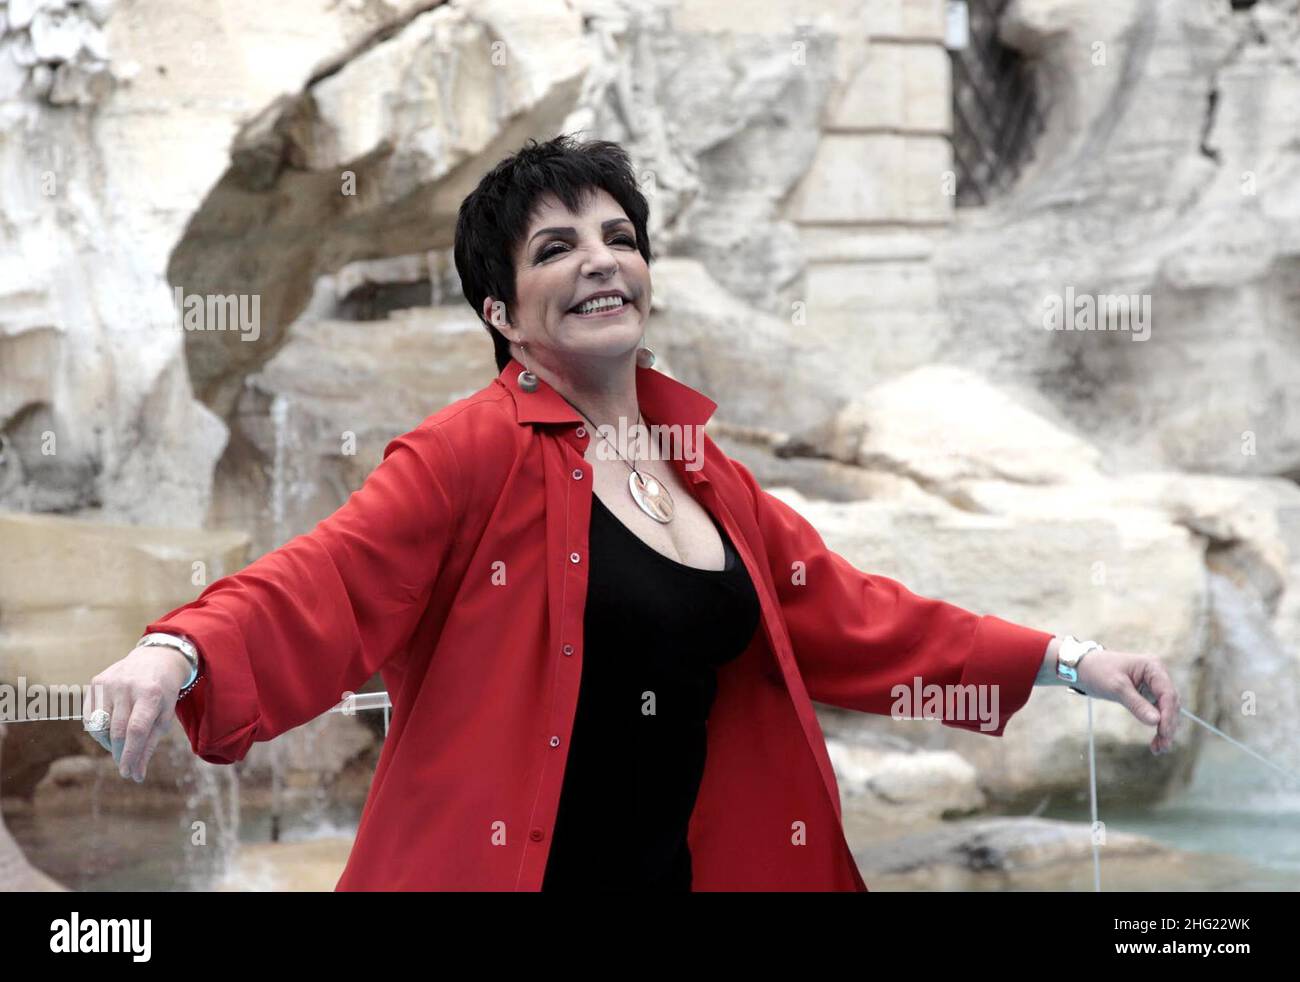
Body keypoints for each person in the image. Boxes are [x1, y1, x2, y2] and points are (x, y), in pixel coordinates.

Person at [87, 134, 1181, 891]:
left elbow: (857, 617)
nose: (600, 260)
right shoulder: (468, 452)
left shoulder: (706, 472)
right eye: (553, 249)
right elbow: (327, 573)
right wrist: (180, 649)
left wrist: (1070, 659)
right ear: (500, 313)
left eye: (618, 236)